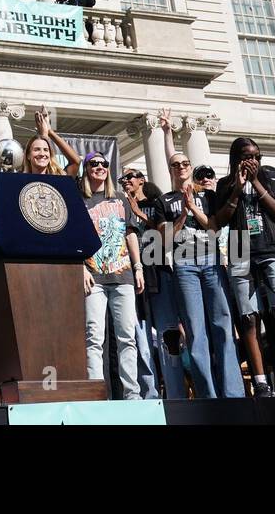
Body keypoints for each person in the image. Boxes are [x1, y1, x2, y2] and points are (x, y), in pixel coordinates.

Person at [214, 137, 275, 397]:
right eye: (247, 156)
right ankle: (260, 381)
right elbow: (219, 221)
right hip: (239, 251)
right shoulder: (224, 184)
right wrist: (237, 189)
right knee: (248, 318)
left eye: (257, 155)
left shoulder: (270, 176)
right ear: (236, 159)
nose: (253, 160)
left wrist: (255, 182)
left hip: (271, 248)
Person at [159, 112, 244, 399]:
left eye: (186, 163)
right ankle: (207, 395)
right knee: (196, 332)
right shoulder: (166, 200)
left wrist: (193, 207)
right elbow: (164, 239)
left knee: (222, 325)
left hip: (210, 262)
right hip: (184, 265)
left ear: (190, 168)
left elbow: (214, 225)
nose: (181, 166)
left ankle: (232, 393)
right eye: (176, 165)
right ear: (170, 170)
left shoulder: (208, 194)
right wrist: (167, 133)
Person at [80, 153, 144, 398]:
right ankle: (96, 392)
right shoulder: (79, 200)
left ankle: (132, 393)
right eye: (94, 164)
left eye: (104, 164)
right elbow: (73, 238)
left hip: (123, 275)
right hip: (93, 277)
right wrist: (80, 268)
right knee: (94, 336)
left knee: (127, 335)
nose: (99, 167)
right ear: (86, 169)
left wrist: (138, 267)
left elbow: (130, 234)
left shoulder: (120, 198)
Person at [120, 165, 164, 399]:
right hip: (133, 278)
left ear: (141, 180)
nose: (125, 181)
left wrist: (140, 213)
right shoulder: (119, 204)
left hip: (158, 274)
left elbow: (165, 233)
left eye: (129, 177)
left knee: (167, 335)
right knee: (140, 338)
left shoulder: (156, 203)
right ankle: (150, 392)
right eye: (122, 178)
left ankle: (173, 387)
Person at [24, 108, 82, 176]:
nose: (42, 154)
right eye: (37, 149)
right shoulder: (21, 179)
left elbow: (76, 162)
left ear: (50, 155)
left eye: (46, 150)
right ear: (28, 155)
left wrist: (50, 132)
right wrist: (44, 136)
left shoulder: (58, 178)